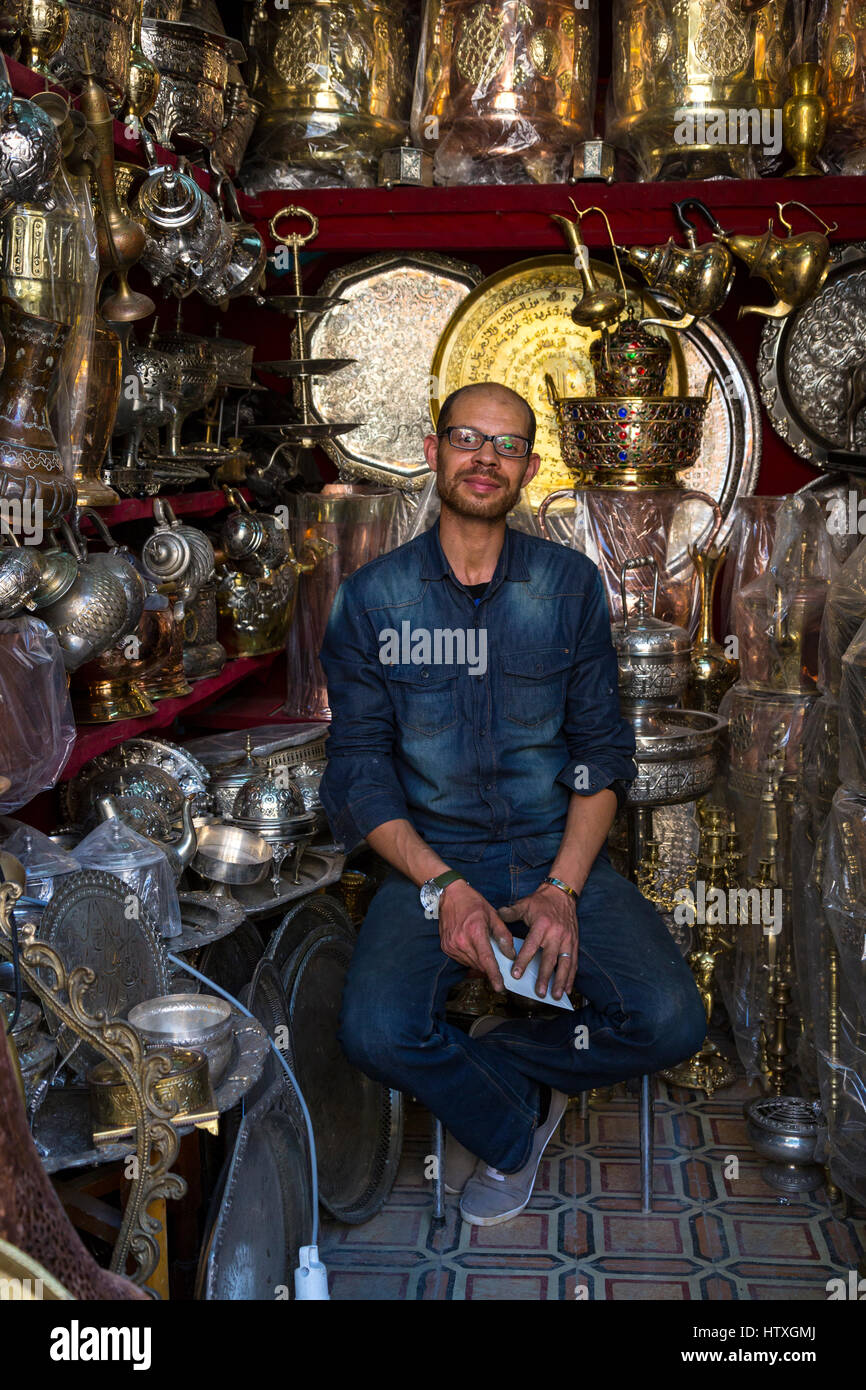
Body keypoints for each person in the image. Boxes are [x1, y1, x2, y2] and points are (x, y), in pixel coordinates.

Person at [319, 381, 706, 1227]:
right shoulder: (372, 599)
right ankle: (514, 1118)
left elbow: (601, 755)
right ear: (434, 452)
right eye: (468, 438)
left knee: (672, 1021)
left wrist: (562, 890)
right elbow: (358, 771)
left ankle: (502, 1060)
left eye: (507, 444)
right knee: (376, 1032)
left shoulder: (569, 586)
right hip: (429, 863)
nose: (485, 458)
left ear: (529, 468)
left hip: (551, 850)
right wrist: (444, 886)